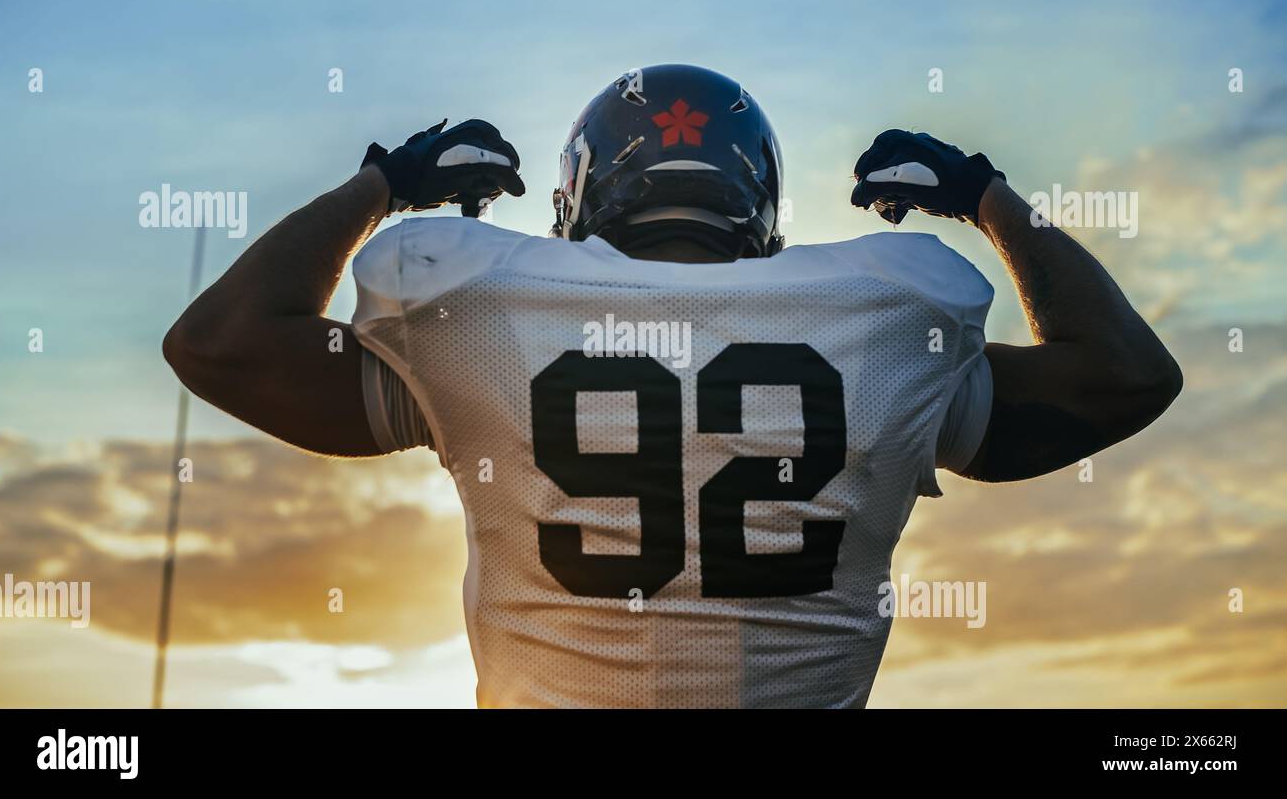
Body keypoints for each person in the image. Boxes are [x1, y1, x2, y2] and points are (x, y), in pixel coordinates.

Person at [163, 64, 1181, 707]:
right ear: (760, 196)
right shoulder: (888, 316)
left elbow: (220, 343)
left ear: (581, 188)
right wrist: (985, 197)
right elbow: (1124, 377)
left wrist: (382, 184)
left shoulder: (470, 306)